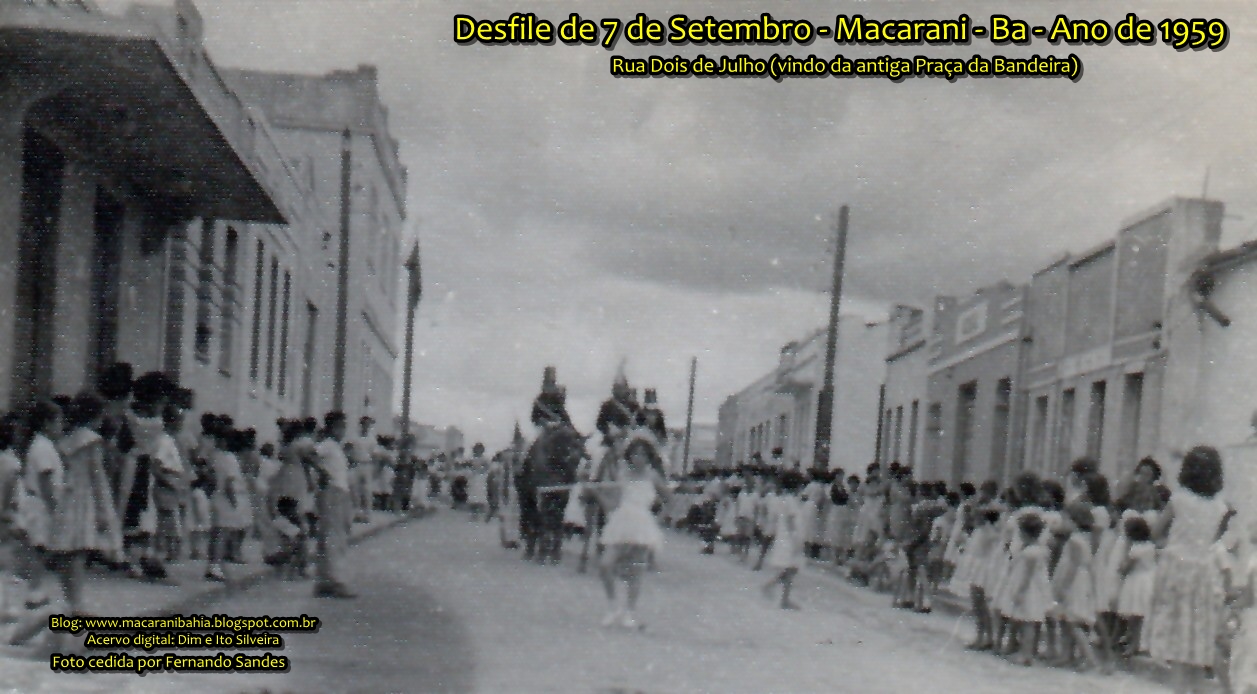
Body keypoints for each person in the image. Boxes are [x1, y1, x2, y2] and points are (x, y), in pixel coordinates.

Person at [1147, 446, 1231, 694]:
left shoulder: (1179, 499)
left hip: (1177, 568)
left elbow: (1156, 533)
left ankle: (1179, 689)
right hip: (1203, 572)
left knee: (1176, 638)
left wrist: (1171, 549)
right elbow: (1212, 539)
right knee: (1195, 636)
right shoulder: (1220, 507)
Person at [591, 431, 669, 630]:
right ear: (629, 456)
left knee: (636, 571)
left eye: (643, 454)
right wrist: (597, 493)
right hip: (621, 522)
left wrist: (658, 519)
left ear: (649, 456)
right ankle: (612, 607)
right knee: (605, 564)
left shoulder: (653, 476)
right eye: (635, 454)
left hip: (642, 525)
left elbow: (669, 499)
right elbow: (612, 505)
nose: (638, 458)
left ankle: (629, 612)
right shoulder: (622, 475)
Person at [311, 412, 356, 599]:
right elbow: (310, 454)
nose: (342, 431)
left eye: (343, 427)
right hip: (333, 493)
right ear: (331, 427)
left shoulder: (336, 447)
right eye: (340, 427)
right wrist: (321, 471)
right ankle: (336, 581)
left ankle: (324, 581)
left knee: (332, 536)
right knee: (334, 537)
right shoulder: (328, 444)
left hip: (339, 492)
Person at [762, 470, 807, 610]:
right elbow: (790, 520)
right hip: (789, 537)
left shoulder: (787, 499)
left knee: (792, 569)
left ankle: (773, 588)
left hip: (786, 536)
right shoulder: (791, 501)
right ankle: (782, 598)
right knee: (791, 567)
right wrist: (795, 538)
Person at [1116, 514, 1156, 663]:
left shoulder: (1136, 549)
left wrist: (1121, 565)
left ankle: (1134, 644)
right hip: (1149, 579)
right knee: (1140, 614)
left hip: (1137, 581)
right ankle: (1137, 642)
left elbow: (1125, 568)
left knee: (1135, 614)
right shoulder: (1150, 546)